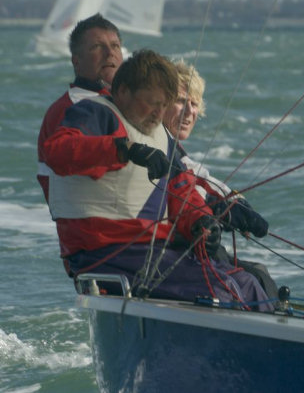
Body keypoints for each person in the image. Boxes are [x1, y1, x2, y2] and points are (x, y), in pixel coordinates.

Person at [42, 49, 272, 312]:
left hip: (151, 250)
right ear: (124, 91)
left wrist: (201, 223)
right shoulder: (96, 114)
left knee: (249, 283)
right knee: (222, 290)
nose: (158, 113)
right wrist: (122, 149)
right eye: (152, 103)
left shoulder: (159, 137)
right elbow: (58, 150)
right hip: (105, 251)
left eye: (164, 105)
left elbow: (181, 188)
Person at [164, 60, 278, 299]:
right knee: (252, 281)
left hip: (185, 247)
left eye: (194, 104)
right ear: (158, 102)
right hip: (170, 251)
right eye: (180, 101)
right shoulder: (159, 146)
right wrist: (221, 207)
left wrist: (236, 202)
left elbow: (199, 177)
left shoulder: (176, 151)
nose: (189, 112)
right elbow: (186, 184)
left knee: (259, 274)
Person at [37, 13, 123, 205]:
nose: (110, 53)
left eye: (115, 46)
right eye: (97, 47)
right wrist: (126, 150)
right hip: (100, 228)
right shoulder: (70, 110)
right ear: (76, 61)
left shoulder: (126, 103)